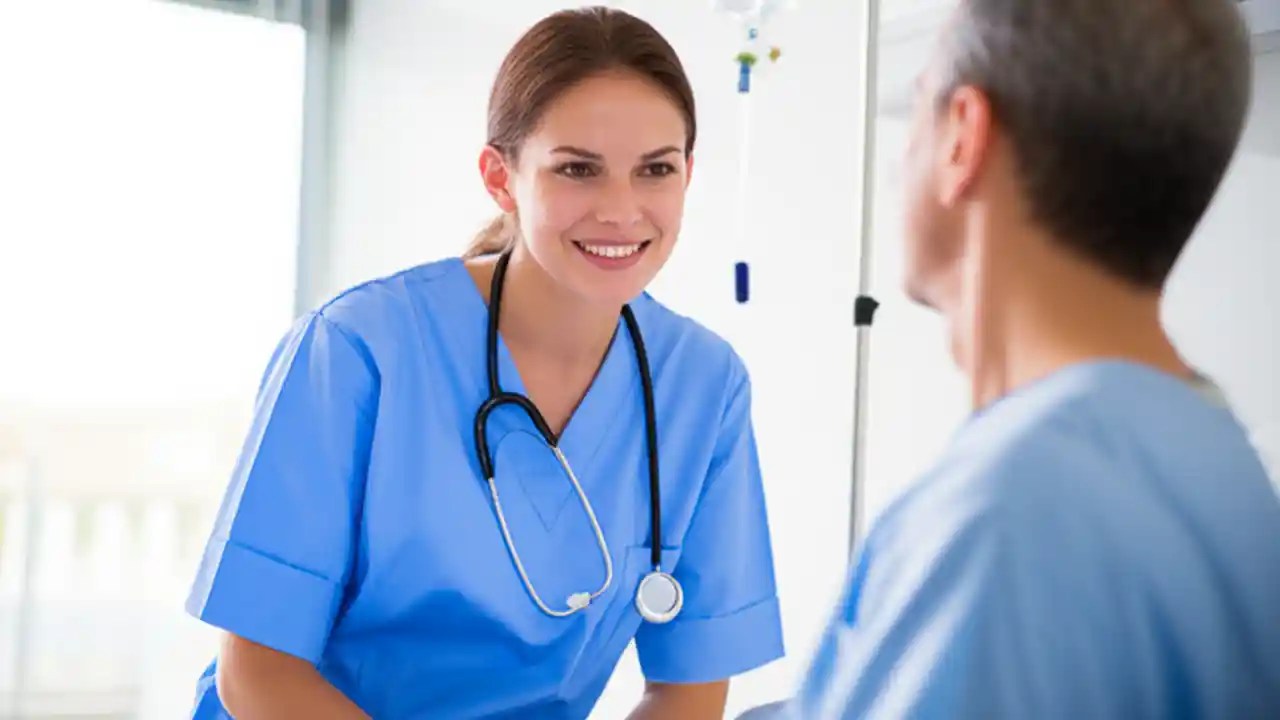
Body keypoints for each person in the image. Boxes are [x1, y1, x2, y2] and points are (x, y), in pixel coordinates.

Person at [184, 7, 784, 718]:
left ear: (688, 173)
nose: (622, 211)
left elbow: (688, 690)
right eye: (577, 170)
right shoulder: (355, 351)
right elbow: (256, 672)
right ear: (501, 178)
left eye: (655, 169)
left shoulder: (703, 387)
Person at [780, 0, 1280, 717]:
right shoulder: (1218, 460)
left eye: (922, 104)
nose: (900, 165)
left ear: (962, 138)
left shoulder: (1013, 517)